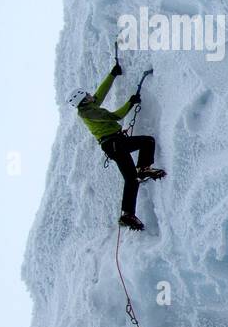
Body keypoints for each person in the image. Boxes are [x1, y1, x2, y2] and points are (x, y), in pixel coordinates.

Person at [71, 63, 166, 231]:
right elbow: (116, 116)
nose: (89, 94)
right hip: (115, 143)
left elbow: (100, 93)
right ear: (84, 99)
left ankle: (127, 214)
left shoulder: (88, 107)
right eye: (86, 94)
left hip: (114, 144)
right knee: (147, 142)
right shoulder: (91, 112)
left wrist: (112, 74)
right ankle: (143, 169)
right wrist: (131, 102)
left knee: (131, 178)